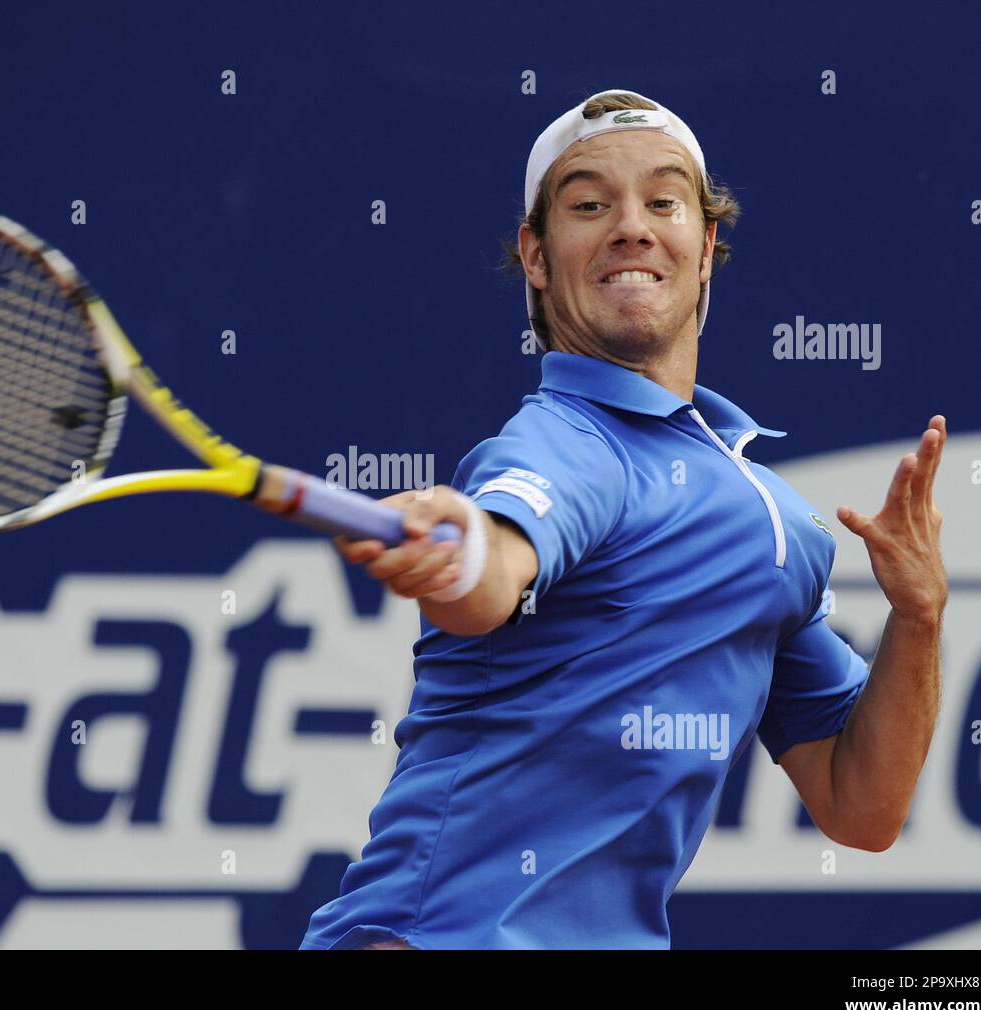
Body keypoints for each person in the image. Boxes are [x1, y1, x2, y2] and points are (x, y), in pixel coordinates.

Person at [299, 89, 947, 950]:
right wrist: (459, 553)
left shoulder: (776, 523)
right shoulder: (561, 444)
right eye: (590, 205)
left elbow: (862, 806)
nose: (632, 228)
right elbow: (492, 576)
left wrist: (919, 617)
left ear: (707, 247)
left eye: (665, 201)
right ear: (536, 256)